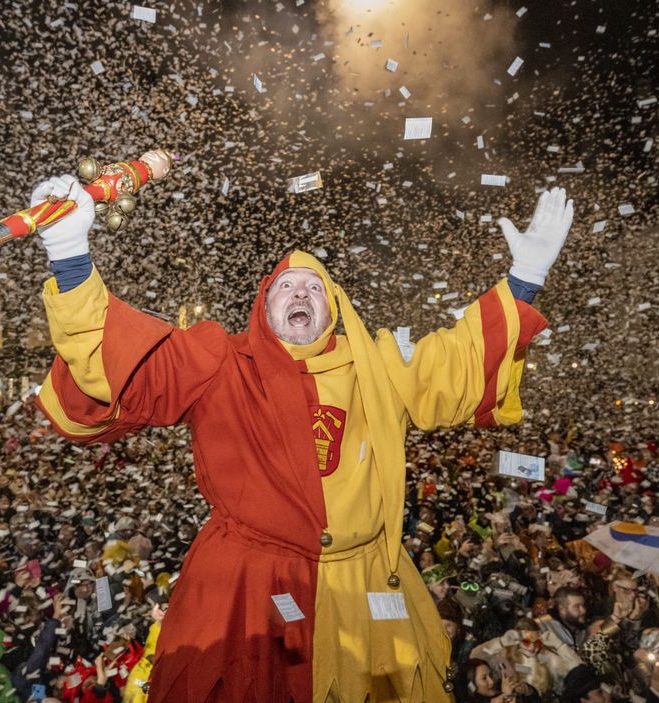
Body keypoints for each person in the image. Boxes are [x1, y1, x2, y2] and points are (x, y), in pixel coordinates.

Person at [30, 160, 572, 702]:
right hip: (251, 586)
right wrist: (72, 258)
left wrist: (524, 279)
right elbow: (131, 367)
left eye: (315, 288)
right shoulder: (222, 361)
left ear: (333, 309)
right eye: (285, 287)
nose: (300, 295)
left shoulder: (377, 365)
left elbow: (458, 364)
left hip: (365, 586)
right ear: (264, 307)